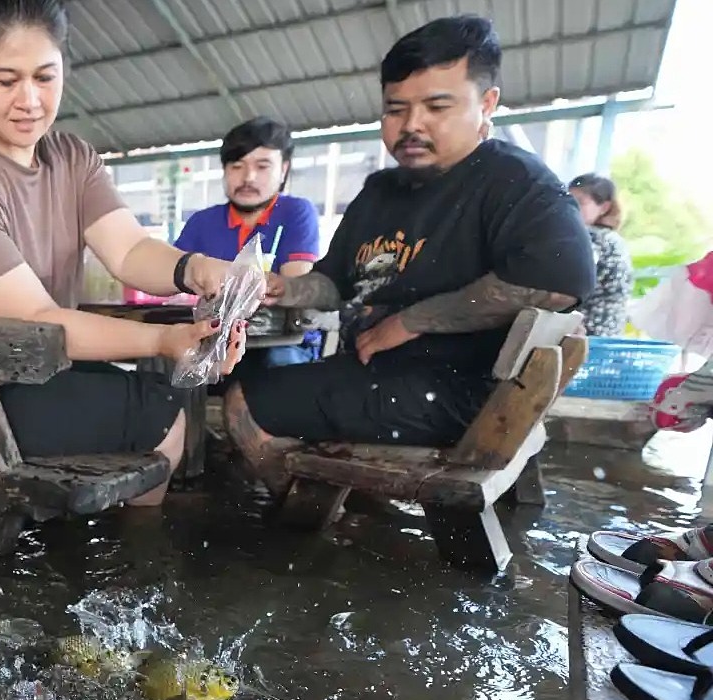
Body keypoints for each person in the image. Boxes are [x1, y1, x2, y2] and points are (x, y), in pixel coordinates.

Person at [223, 14, 595, 492]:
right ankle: (340, 500)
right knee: (278, 383)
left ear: (487, 104)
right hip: (380, 375)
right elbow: (334, 282)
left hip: (460, 392)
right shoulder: (380, 190)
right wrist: (283, 288)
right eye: (396, 109)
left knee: (243, 398)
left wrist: (411, 321)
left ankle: (305, 516)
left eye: (437, 107)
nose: (411, 125)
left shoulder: (514, 180)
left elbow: (556, 284)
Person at [0, 0, 248, 507]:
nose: (29, 100)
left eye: (45, 77)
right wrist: (163, 341)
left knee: (159, 404)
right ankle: (137, 559)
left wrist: (192, 268)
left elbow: (130, 249)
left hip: (39, 367)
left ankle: (122, 554)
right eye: (6, 81)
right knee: (158, 415)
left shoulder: (72, 157)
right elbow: (36, 319)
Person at [175, 115, 322, 367]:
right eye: (236, 166)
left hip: (280, 342)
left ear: (283, 169)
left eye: (263, 166)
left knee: (273, 374)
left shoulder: (296, 213)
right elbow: (171, 284)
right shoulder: (201, 222)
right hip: (210, 340)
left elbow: (296, 282)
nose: (248, 177)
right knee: (162, 368)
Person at [568, 173, 634, 337]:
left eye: (580, 202)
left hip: (588, 332)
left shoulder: (593, 238)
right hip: (610, 332)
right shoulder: (612, 238)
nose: (570, 207)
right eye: (568, 200)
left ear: (603, 207)